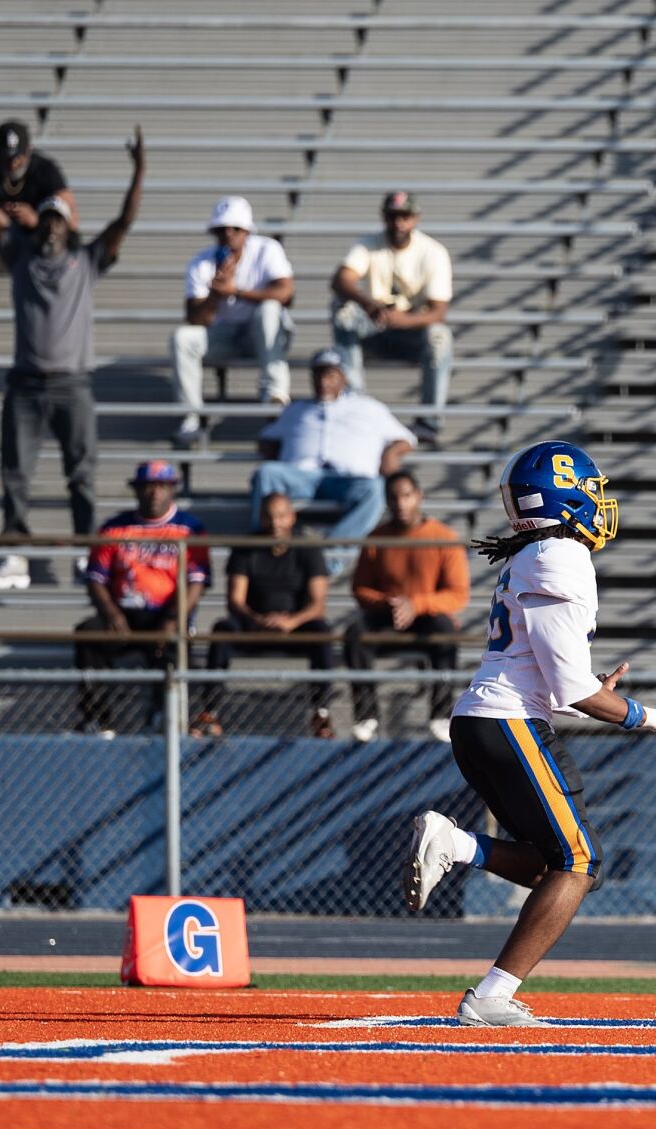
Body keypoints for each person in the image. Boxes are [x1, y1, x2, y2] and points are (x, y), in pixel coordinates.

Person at [400, 440, 656, 1026]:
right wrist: (653, 718)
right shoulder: (559, 556)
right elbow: (572, 688)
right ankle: (490, 997)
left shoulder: (536, 554)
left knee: (561, 868)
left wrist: (592, 689)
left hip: (489, 721)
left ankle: (459, 845)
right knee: (579, 861)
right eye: (590, 492)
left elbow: (554, 680)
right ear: (564, 497)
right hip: (506, 722)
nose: (599, 503)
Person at [0, 128, 144, 592]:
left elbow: (124, 222)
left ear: (68, 226)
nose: (52, 226)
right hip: (26, 383)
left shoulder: (87, 260)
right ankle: (14, 551)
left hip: (72, 383)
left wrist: (139, 172)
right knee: (15, 472)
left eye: (59, 220)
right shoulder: (21, 257)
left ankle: (84, 551)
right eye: (47, 220)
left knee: (81, 474)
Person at [74, 460, 210, 736]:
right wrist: (111, 614)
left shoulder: (190, 528)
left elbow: (197, 582)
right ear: (136, 490)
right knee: (88, 634)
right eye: (148, 486)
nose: (154, 493)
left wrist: (173, 618)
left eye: (161, 486)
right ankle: (98, 721)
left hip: (166, 613)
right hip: (124, 614)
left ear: (172, 490)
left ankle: (164, 719)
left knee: (174, 646)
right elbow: (95, 579)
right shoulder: (114, 527)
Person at [195, 493, 334, 739]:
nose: (275, 523)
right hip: (253, 626)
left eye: (281, 516)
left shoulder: (308, 549)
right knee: (222, 629)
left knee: (323, 632)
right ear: (261, 518)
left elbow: (318, 604)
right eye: (269, 517)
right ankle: (210, 712)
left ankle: (320, 713)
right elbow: (235, 600)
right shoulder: (245, 549)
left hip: (295, 627)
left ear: (292, 518)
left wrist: (291, 621)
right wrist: (257, 620)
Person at [345, 471, 470, 743]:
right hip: (386, 614)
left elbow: (458, 594)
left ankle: (441, 715)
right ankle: (366, 716)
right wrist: (389, 603)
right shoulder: (376, 538)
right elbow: (359, 588)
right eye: (394, 497)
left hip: (427, 617)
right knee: (355, 633)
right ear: (386, 501)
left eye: (406, 495)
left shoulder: (443, 537)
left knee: (445, 631)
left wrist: (415, 604)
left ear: (419, 497)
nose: (401, 503)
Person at [251, 348, 415, 555]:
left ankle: (331, 556)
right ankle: (263, 547)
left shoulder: (369, 408)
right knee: (267, 473)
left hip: (348, 481)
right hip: (301, 477)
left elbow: (407, 439)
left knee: (375, 489)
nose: (323, 381)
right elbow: (267, 438)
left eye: (330, 375)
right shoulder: (296, 409)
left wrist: (390, 453)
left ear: (344, 378)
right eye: (318, 374)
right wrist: (279, 454)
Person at [330, 191, 454, 444]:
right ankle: (355, 406)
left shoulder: (433, 252)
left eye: (405, 216)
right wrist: (371, 305)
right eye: (393, 216)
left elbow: (439, 311)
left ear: (416, 219)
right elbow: (341, 280)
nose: (399, 223)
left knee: (440, 336)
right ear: (383, 217)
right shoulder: (368, 244)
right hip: (375, 328)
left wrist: (403, 320)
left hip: (412, 333)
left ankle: (430, 420)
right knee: (343, 312)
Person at [170, 195, 294, 446]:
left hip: (264, 332)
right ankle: (192, 415)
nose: (228, 233)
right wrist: (216, 295)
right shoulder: (201, 262)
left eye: (235, 228)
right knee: (182, 338)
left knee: (269, 309)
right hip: (225, 334)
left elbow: (286, 294)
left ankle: (274, 394)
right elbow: (195, 319)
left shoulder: (267, 249)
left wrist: (236, 291)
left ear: (247, 231)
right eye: (222, 229)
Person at [0, 121, 75, 277]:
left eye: (18, 157)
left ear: (29, 150)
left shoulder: (45, 169)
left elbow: (71, 219)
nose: (13, 163)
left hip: (34, 243)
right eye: (6, 157)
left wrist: (36, 220)